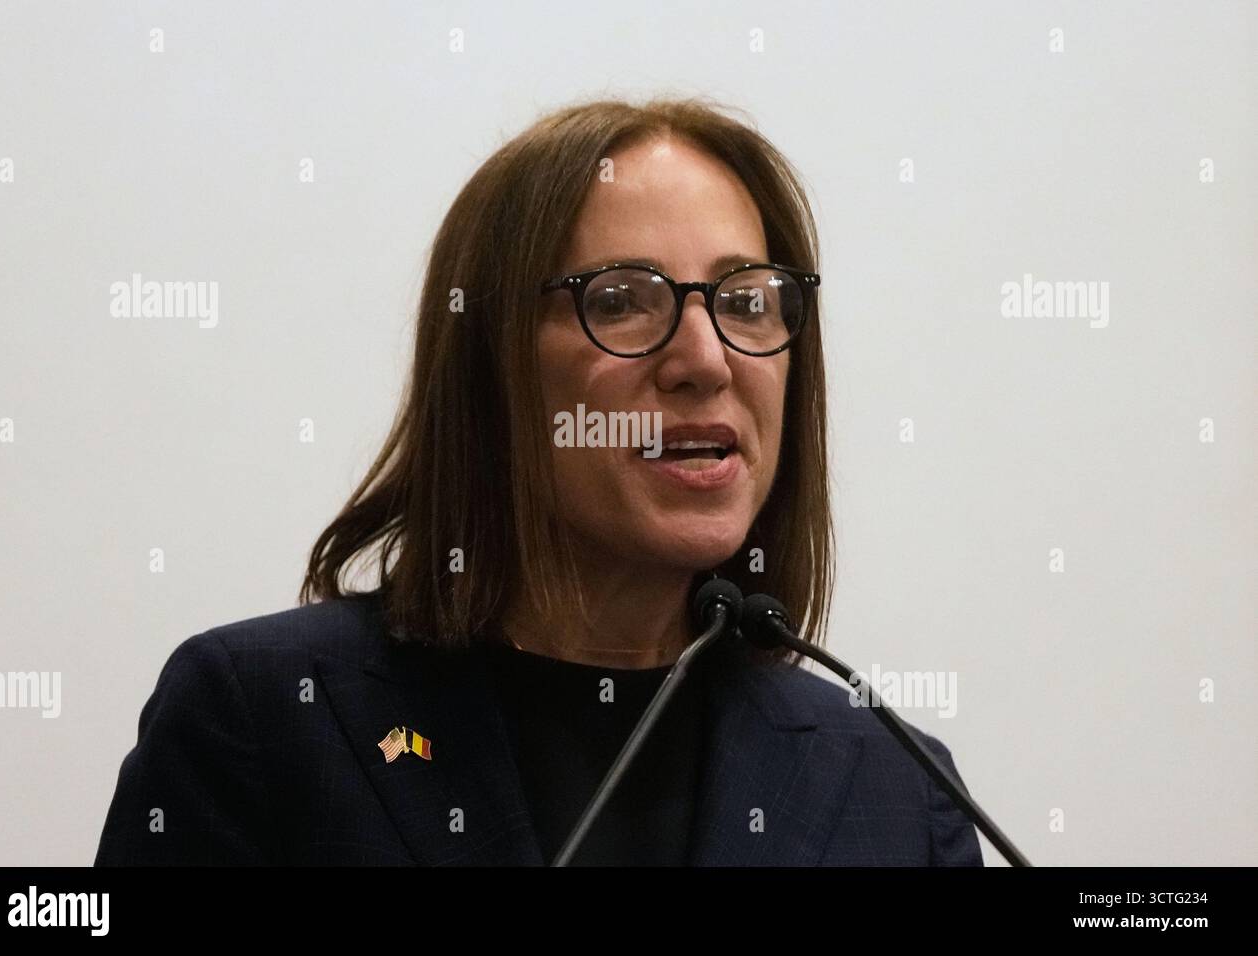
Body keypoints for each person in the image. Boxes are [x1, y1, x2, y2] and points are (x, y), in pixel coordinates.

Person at [94, 96, 984, 866]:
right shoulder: (263, 721)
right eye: (623, 299)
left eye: (746, 300)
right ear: (492, 372)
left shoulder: (897, 786)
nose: (706, 360)